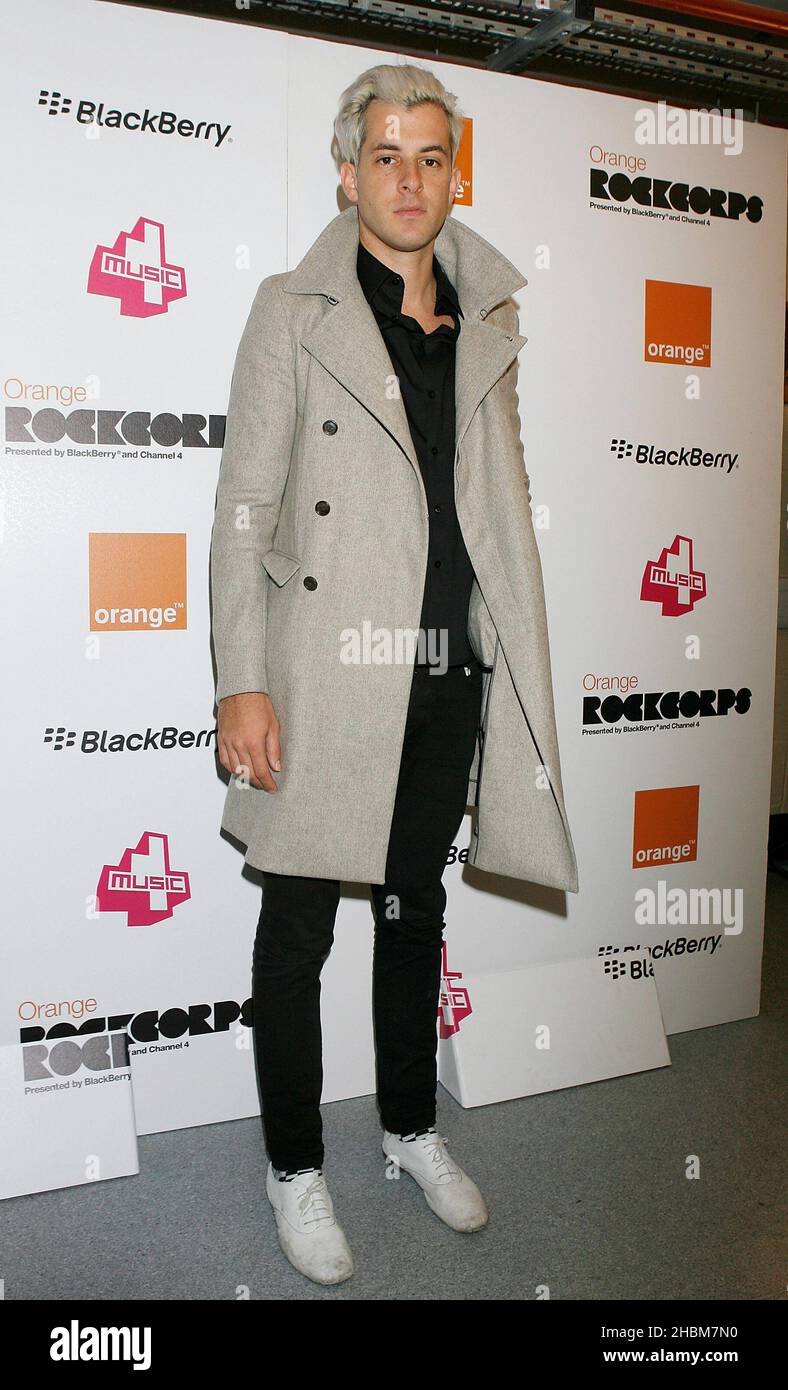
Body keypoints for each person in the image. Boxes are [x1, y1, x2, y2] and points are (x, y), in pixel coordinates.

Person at [209, 62, 578, 1286]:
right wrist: (239, 682)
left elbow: (493, 512)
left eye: (430, 156)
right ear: (347, 169)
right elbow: (243, 509)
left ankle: (410, 1128)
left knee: (414, 915)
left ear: (451, 170)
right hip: (322, 673)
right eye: (386, 156)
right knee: (296, 932)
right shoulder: (291, 309)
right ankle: (294, 1163)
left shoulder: (487, 323)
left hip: (440, 672)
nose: (408, 179)